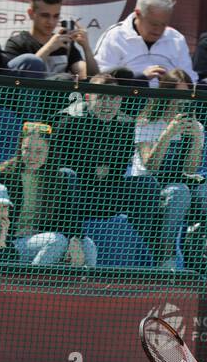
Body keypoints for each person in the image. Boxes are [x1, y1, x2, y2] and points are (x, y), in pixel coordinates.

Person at [51, 73, 185, 265]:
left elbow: (116, 168)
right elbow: (58, 165)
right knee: (67, 176)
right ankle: (73, 241)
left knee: (146, 185)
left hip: (106, 191)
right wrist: (95, 168)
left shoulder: (126, 124)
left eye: (113, 98)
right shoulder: (68, 119)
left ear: (120, 99)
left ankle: (149, 251)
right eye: (102, 98)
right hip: (74, 194)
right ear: (88, 97)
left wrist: (95, 167)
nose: (107, 104)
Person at [131, 69, 207, 268]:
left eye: (187, 96)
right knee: (178, 193)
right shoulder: (147, 123)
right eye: (179, 95)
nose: (183, 102)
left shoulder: (195, 126)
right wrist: (168, 133)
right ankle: (166, 257)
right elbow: (151, 165)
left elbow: (190, 169)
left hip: (179, 181)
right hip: (148, 187)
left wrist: (196, 140)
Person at [0, 122, 95, 266]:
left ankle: (79, 288)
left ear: (49, 152)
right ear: (20, 149)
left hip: (41, 239)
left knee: (88, 245)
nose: (32, 156)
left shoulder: (62, 178)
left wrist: (74, 240)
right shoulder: (0, 177)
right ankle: (31, 285)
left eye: (39, 152)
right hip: (9, 243)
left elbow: (70, 218)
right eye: (27, 150)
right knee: (56, 241)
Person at [94, 0, 195, 84]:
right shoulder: (115, 36)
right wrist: (140, 78)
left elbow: (191, 80)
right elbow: (99, 77)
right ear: (138, 14)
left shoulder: (177, 39)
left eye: (164, 24)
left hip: (166, 101)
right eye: (153, 24)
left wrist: (172, 81)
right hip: (125, 100)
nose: (159, 30)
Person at [4, 0, 98, 81]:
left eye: (56, 16)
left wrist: (86, 48)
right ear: (31, 14)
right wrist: (49, 48)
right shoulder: (16, 43)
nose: (51, 22)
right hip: (33, 94)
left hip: (61, 95)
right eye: (45, 15)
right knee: (64, 78)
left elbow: (90, 78)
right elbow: (13, 80)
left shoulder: (64, 43)